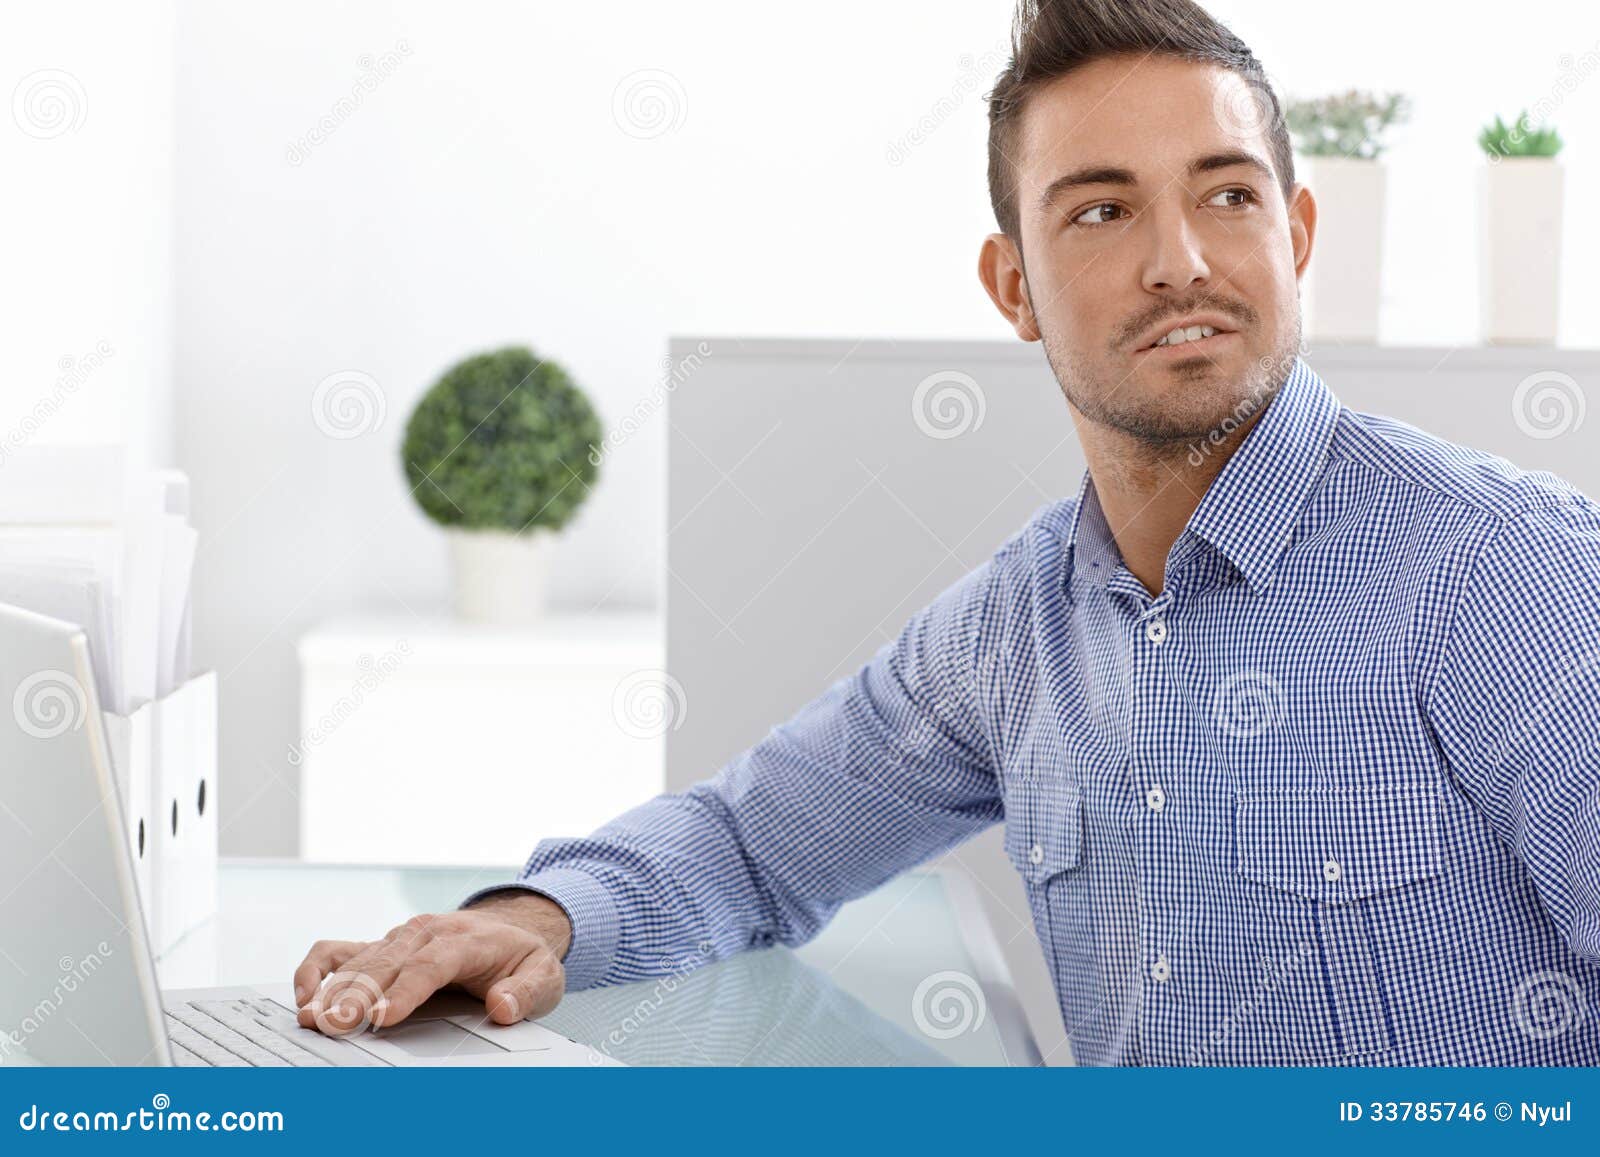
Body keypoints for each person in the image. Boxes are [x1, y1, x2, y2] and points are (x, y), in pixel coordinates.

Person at [294, 0, 1600, 1064]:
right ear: (1013, 287)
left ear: (1296, 236)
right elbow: (750, 842)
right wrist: (536, 918)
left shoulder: (1508, 574)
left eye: (1227, 197)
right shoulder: (1013, 632)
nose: (1181, 262)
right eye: (1102, 211)